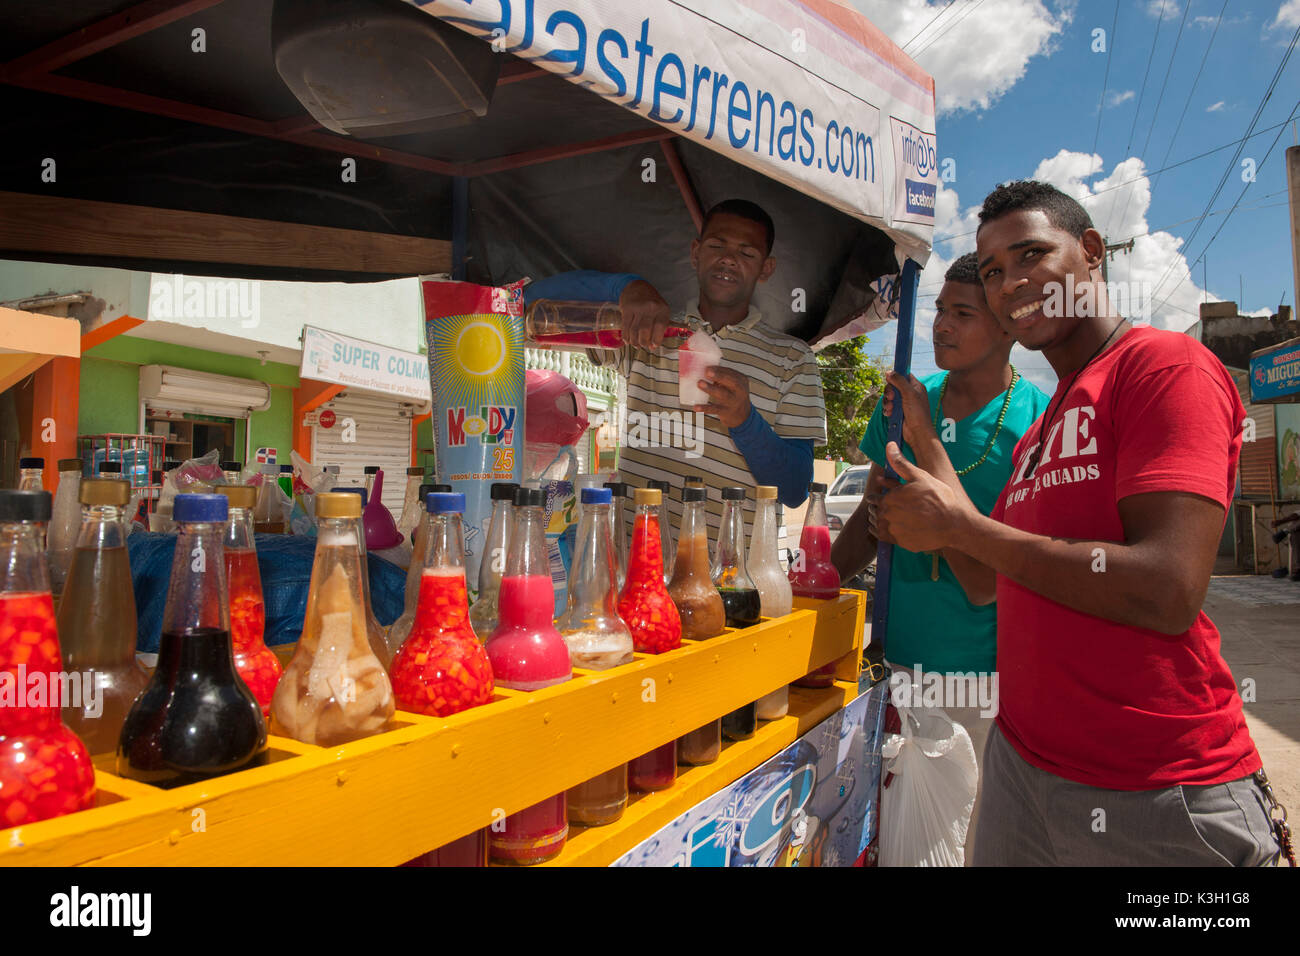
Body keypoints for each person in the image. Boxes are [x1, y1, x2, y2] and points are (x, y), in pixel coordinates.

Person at [871, 180, 1281, 866]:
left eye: (1032, 254)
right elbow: (982, 580)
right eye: (995, 270)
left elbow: (1168, 589)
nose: (1012, 282)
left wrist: (962, 530)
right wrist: (926, 441)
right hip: (1024, 764)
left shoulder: (1162, 368)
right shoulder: (1044, 426)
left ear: (1092, 251)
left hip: (1154, 785)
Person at [832, 252, 1049, 860]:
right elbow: (867, 517)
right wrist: (815, 581)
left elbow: (987, 583)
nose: (941, 327)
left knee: (965, 847)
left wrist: (930, 505)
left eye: (962, 313)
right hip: (892, 671)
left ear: (1007, 325)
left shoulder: (1036, 423)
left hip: (981, 688)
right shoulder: (904, 399)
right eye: (938, 310)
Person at [523, 199, 826, 533]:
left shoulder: (793, 358)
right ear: (695, 253)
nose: (728, 258)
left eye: (747, 253)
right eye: (717, 245)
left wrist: (745, 421)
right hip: (638, 567)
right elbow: (530, 302)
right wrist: (625, 287)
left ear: (766, 269)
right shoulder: (649, 329)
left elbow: (796, 490)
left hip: (731, 576)